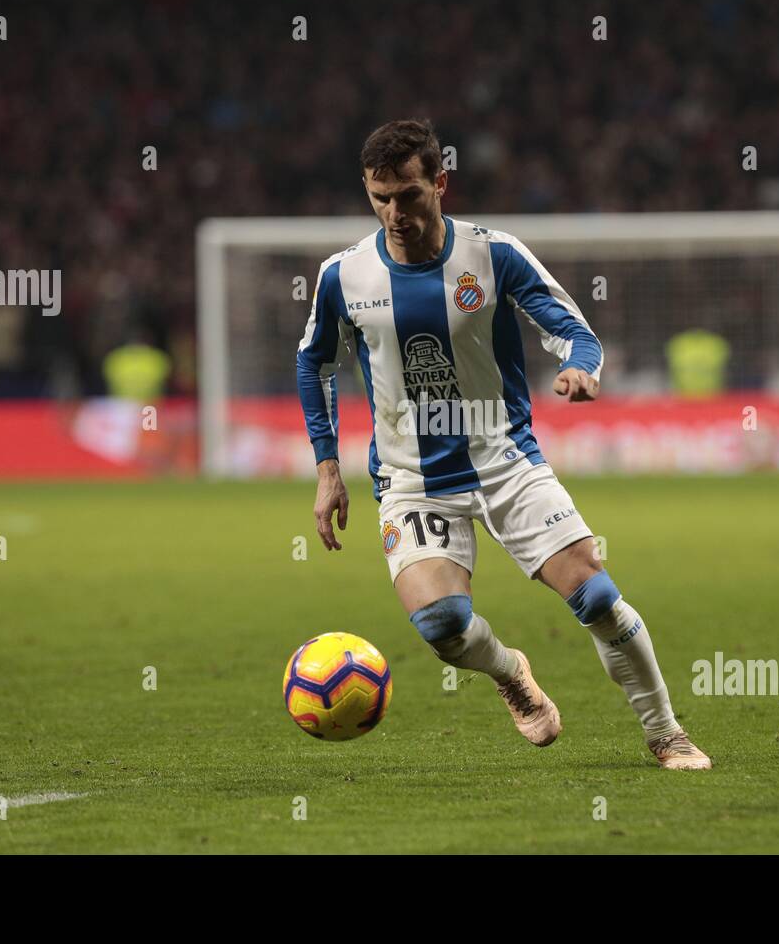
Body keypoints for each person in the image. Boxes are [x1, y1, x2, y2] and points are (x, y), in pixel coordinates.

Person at [295, 119, 710, 769]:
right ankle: (512, 673)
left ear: (440, 182)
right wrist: (326, 470)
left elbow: (575, 331)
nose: (394, 212)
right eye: (380, 197)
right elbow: (312, 366)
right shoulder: (342, 276)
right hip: (411, 481)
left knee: (597, 596)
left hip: (506, 462)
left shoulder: (495, 255)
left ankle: (666, 733)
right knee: (443, 629)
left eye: (408, 194)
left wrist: (581, 368)